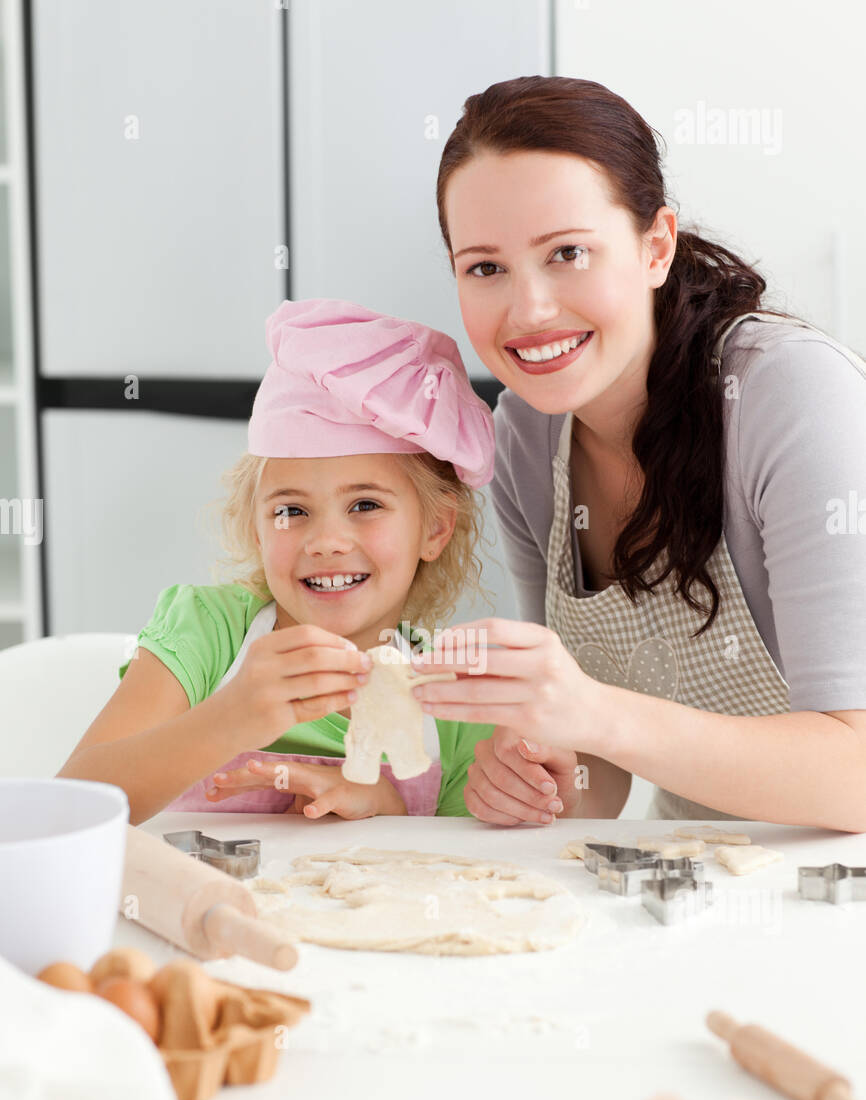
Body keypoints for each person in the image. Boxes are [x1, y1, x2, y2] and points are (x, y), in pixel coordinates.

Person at [409, 75, 866, 833]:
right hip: (714, 879)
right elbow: (603, 772)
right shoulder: (525, 440)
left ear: (656, 245)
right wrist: (546, 777)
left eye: (567, 253)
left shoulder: (788, 395)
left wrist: (588, 711)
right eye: (485, 267)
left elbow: (856, 776)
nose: (529, 311)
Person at [56, 299, 496, 825]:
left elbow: (460, 876)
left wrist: (388, 807)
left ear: (435, 528)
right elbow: (73, 805)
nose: (326, 541)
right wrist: (233, 715)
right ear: (257, 528)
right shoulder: (210, 633)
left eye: (365, 505)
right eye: (291, 510)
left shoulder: (455, 697)